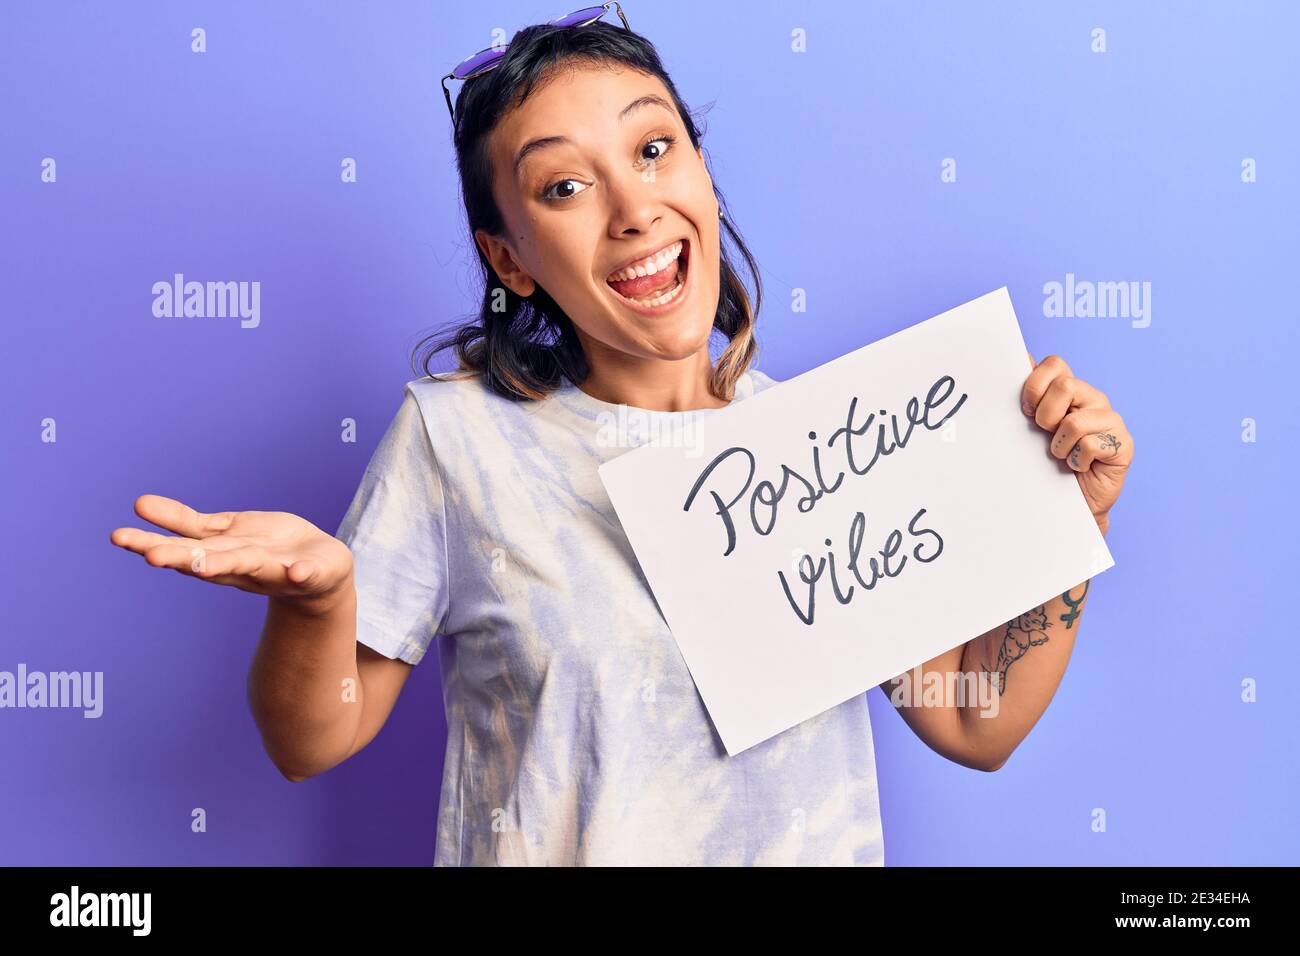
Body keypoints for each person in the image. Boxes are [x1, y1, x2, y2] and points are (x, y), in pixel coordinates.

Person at [109, 11, 1133, 866]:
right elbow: (309, 738)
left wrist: (1070, 521)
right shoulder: (457, 440)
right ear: (507, 257)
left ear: (700, 171)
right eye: (564, 185)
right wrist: (318, 601)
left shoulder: (826, 449)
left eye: (653, 149)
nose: (634, 206)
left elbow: (972, 721)